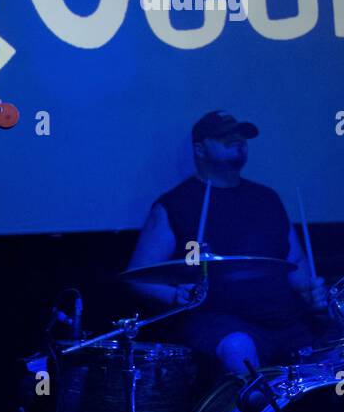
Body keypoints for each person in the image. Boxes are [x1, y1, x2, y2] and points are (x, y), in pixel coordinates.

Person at [125, 111, 330, 375]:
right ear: (199, 149)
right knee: (238, 347)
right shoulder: (175, 204)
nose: (238, 140)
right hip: (216, 322)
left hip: (284, 320)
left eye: (242, 135)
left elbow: (296, 263)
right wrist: (175, 294)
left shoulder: (267, 198)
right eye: (225, 136)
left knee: (339, 348)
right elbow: (137, 277)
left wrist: (311, 294)